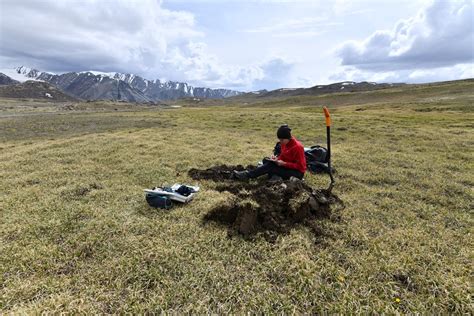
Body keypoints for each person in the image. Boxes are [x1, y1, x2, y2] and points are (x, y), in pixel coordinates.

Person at [233, 124, 306, 181]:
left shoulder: (298, 147)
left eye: (282, 140)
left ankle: (247, 175)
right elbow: (283, 156)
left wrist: (285, 164)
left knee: (270, 166)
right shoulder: (284, 144)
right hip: (286, 167)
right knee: (266, 160)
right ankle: (276, 177)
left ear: (288, 138)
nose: (280, 142)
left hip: (297, 173)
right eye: (279, 139)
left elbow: (301, 167)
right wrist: (276, 159)